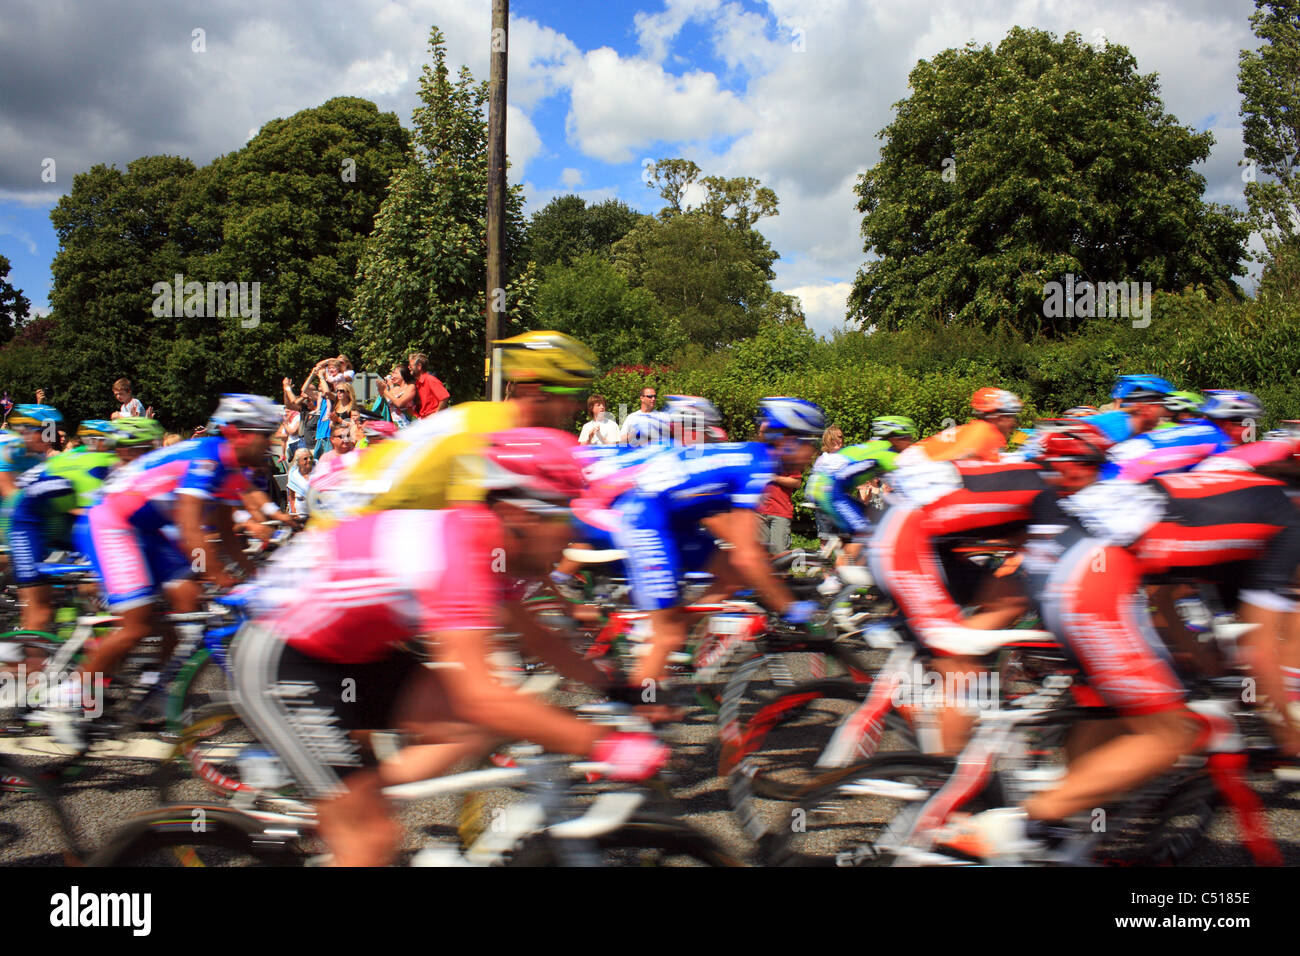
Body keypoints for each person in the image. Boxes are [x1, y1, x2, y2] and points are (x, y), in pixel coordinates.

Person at [232, 428, 665, 866]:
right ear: (519, 513)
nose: (570, 538)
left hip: (348, 653)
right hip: (281, 653)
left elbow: (536, 638)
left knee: (466, 730)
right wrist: (603, 743)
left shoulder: (488, 542)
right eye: (562, 520)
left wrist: (614, 689)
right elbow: (484, 697)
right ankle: (347, 811)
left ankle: (343, 798)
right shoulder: (459, 552)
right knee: (372, 840)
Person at [48, 396, 281, 746]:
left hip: (146, 529)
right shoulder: (207, 457)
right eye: (268, 435)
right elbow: (190, 530)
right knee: (138, 623)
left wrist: (256, 581)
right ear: (242, 435)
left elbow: (228, 538)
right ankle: (69, 696)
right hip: (112, 522)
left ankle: (151, 687)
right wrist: (220, 578)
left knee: (188, 606)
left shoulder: (230, 466)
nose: (273, 442)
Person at [612, 397, 827, 686]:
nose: (812, 451)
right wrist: (788, 607)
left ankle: (678, 629)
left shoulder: (753, 457)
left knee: (734, 577)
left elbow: (735, 533)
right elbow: (745, 554)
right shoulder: (756, 465)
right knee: (668, 635)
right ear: (787, 440)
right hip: (646, 519)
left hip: (672, 519)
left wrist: (762, 571)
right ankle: (627, 714)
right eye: (809, 441)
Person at [899, 388, 1022, 464]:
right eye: (1012, 417)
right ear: (998, 418)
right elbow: (954, 456)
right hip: (917, 463)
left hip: (916, 460)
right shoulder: (984, 431)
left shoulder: (984, 430)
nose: (1014, 423)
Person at [409, 353, 450, 418]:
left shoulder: (430, 380)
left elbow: (444, 397)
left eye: (411, 366)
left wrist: (436, 415)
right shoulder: (417, 383)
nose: (409, 368)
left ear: (419, 366)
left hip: (435, 420)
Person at [285, 448, 314, 518]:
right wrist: (294, 513)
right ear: (298, 462)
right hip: (301, 515)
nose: (309, 460)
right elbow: (291, 497)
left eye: (310, 457)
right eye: (305, 459)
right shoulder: (294, 475)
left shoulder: (318, 471)